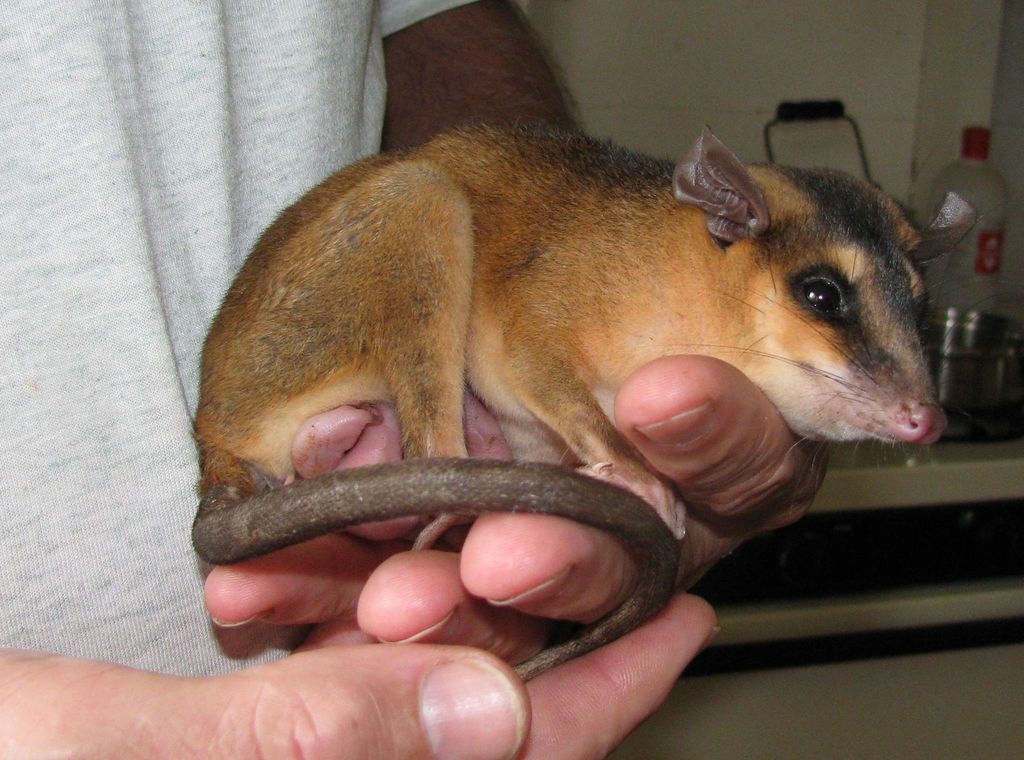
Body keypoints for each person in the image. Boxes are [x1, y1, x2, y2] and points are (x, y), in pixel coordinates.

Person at [0, 1, 825, 756]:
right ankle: (441, 459)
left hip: (365, 618)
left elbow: (439, 22)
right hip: (276, 406)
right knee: (417, 204)